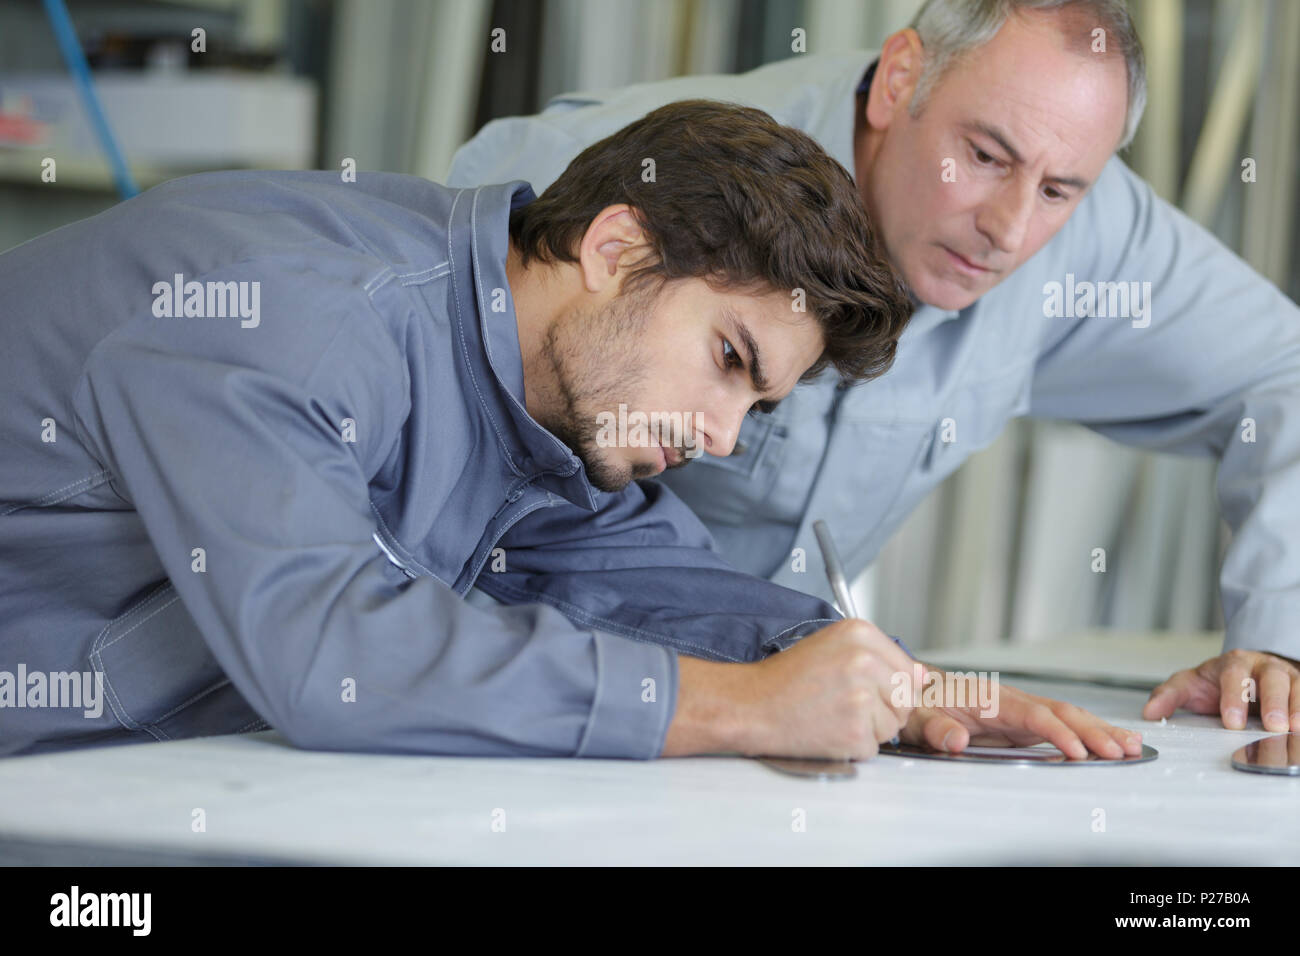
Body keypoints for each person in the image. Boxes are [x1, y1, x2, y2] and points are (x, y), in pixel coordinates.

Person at [0, 99, 1142, 760]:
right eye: (729, 360)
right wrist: (737, 708)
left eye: (758, 405)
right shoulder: (305, 313)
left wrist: (900, 683)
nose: (719, 434)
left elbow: (653, 575)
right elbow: (329, 650)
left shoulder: (534, 396)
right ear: (616, 251)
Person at [449, 0, 1300, 735]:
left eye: (1057, 190)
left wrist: (1276, 632)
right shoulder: (647, 179)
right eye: (985, 156)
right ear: (899, 80)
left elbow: (1284, 372)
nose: (1008, 228)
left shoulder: (1089, 239)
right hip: (541, 703)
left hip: (801, 716)